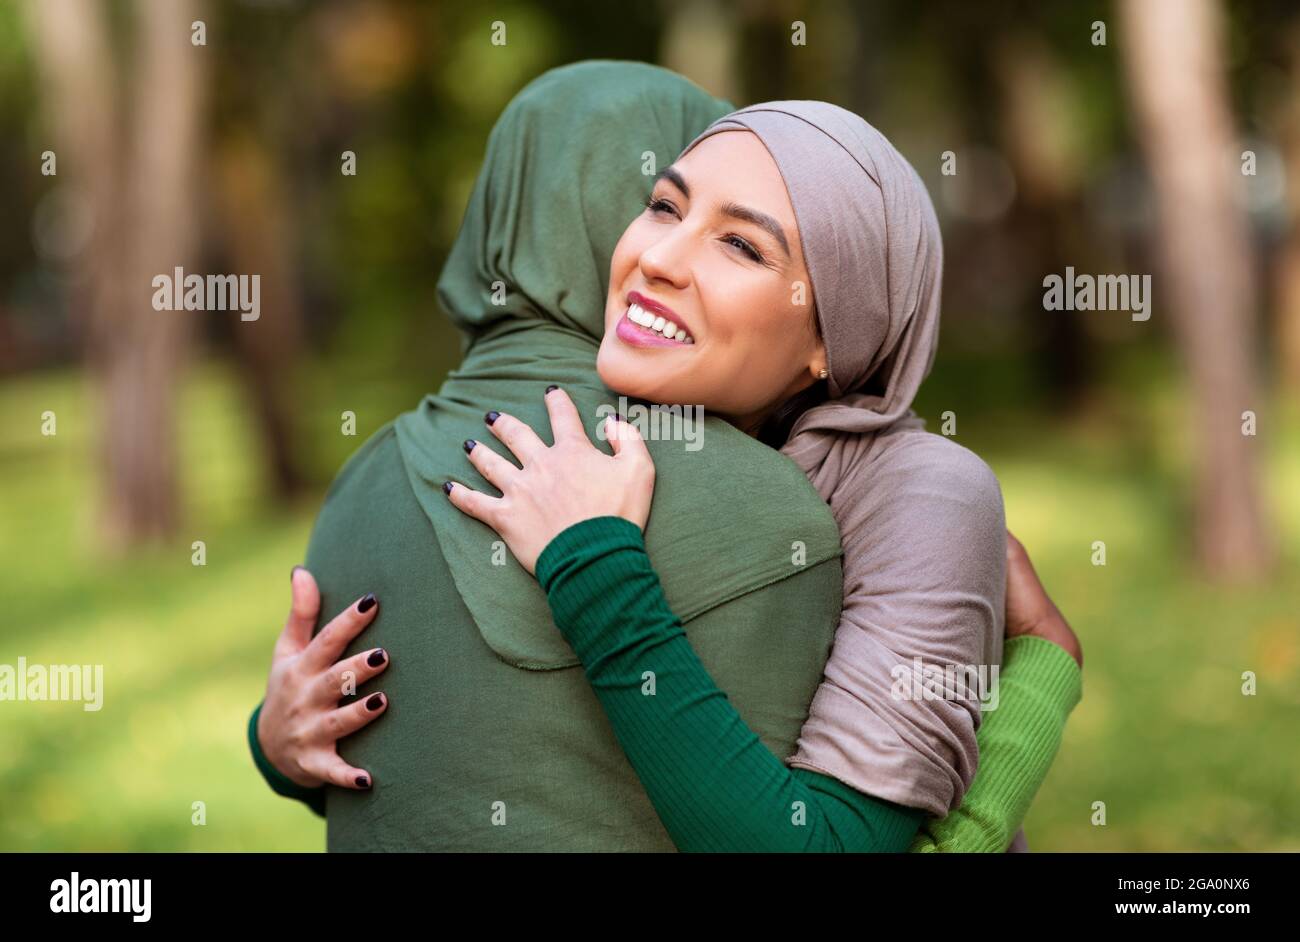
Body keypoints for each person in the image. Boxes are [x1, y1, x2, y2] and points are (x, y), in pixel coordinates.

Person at [249, 61, 1082, 851]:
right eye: (662, 206)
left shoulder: (926, 491)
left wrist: (596, 568)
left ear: (835, 340)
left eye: (743, 247)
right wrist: (277, 743)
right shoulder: (645, 435)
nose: (658, 258)